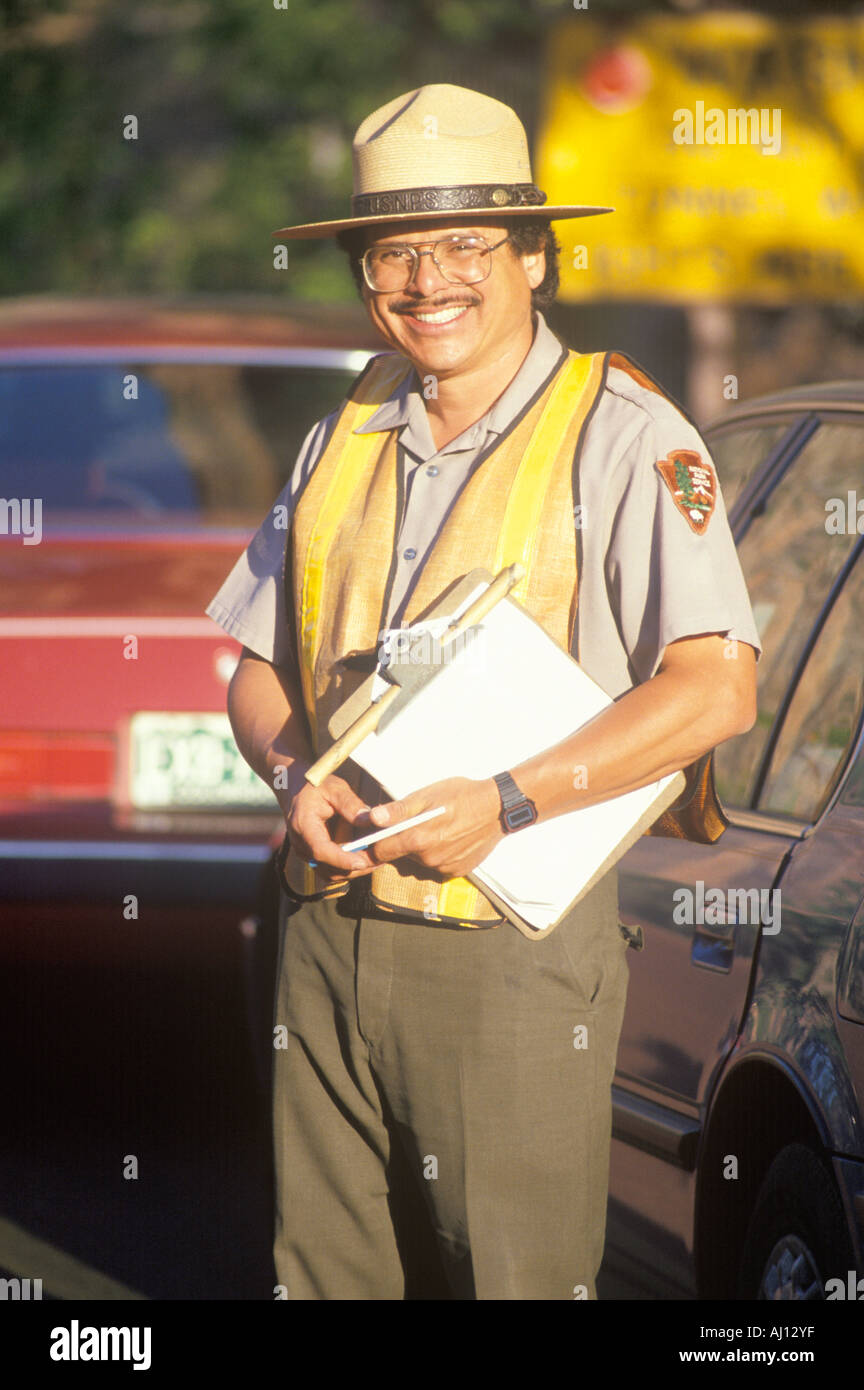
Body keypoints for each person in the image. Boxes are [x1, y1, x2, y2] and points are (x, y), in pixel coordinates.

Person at [206, 84, 761, 1300]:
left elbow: (717, 689)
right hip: (325, 929)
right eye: (395, 249)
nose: (428, 279)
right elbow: (255, 669)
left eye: (465, 243)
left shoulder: (628, 435)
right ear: (362, 274)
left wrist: (507, 800)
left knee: (511, 1282)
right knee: (326, 1277)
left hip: (510, 949)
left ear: (536, 258)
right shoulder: (341, 429)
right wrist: (297, 774)